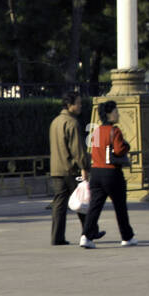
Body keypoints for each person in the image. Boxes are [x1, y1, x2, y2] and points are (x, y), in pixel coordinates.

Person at [81, 101, 137, 249]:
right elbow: (118, 150)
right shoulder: (115, 131)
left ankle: (86, 236)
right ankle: (127, 237)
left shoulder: (97, 131)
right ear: (109, 114)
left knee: (95, 207)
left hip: (96, 172)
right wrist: (126, 146)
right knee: (120, 206)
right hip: (112, 172)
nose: (118, 114)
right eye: (116, 111)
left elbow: (94, 150)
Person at [48, 92, 96, 246]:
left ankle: (57, 236)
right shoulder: (72, 123)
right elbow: (78, 149)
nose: (80, 106)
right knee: (83, 201)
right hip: (71, 169)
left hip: (57, 168)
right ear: (70, 105)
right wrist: (84, 167)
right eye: (78, 103)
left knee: (59, 204)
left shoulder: (55, 121)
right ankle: (90, 231)